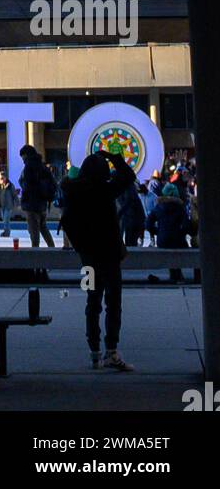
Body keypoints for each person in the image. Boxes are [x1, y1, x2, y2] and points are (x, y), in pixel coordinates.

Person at [60, 151, 136, 371]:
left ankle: (94, 352)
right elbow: (128, 176)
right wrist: (114, 157)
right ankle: (111, 351)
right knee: (113, 302)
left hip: (88, 258)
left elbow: (68, 222)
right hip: (110, 257)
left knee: (92, 302)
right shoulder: (105, 190)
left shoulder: (73, 192)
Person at [146, 183, 190, 284]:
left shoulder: (158, 207)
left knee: (169, 244)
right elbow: (186, 226)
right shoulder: (180, 208)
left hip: (162, 240)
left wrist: (158, 232)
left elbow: (148, 224)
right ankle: (177, 274)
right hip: (178, 240)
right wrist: (181, 233)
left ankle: (174, 274)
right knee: (180, 245)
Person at [19, 144, 58, 248]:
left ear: (25, 155)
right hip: (43, 204)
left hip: (31, 204)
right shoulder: (42, 166)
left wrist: (22, 185)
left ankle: (35, 256)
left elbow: (27, 185)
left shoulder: (29, 167)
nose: (22, 159)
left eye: (22, 156)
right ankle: (52, 249)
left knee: (34, 232)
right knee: (43, 227)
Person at [117, 180, 146, 248]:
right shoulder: (130, 188)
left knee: (130, 240)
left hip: (130, 217)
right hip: (131, 217)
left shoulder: (126, 189)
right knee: (131, 240)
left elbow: (127, 202)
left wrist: (119, 214)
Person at [0, 169, 18, 236]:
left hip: (9, 206)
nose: (1, 179)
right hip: (2, 205)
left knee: (6, 219)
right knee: (4, 220)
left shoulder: (10, 185)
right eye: (0, 178)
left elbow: (14, 195)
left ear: (5, 178)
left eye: (2, 178)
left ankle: (6, 232)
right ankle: (6, 231)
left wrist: (17, 203)